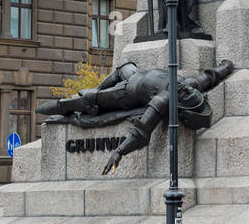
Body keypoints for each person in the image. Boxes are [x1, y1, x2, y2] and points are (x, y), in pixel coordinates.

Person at [36, 60, 235, 174]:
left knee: (87, 99)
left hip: (124, 94)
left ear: (181, 104)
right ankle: (90, 93)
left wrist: (119, 152)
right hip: (133, 72)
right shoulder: (190, 85)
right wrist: (227, 65)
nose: (187, 91)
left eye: (187, 95)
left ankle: (61, 107)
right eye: (190, 92)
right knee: (123, 66)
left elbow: (141, 132)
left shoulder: (163, 100)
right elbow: (211, 76)